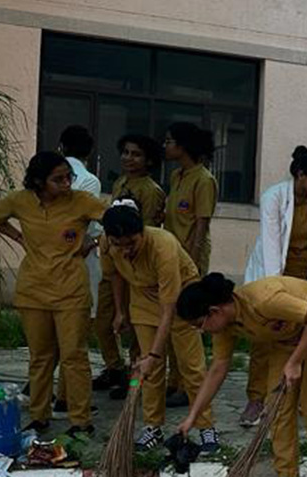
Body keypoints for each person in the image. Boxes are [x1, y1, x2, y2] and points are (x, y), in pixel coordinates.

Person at [176, 274, 307, 477]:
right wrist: (192, 417)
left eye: (199, 325)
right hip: (287, 338)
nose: (202, 331)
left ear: (214, 311)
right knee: (276, 409)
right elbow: (217, 369)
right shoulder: (225, 327)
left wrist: (295, 362)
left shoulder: (264, 300)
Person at [0, 152, 107, 434]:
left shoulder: (81, 200)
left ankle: (80, 420)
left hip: (71, 292)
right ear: (39, 182)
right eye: (58, 179)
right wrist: (18, 237)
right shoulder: (20, 200)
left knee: (74, 356)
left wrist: (91, 242)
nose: (66, 183)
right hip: (33, 291)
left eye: (69, 177)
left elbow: (116, 220)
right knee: (40, 357)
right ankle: (40, 415)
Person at [100, 201, 219, 453]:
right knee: (149, 372)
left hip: (183, 301)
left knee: (192, 367)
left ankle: (206, 426)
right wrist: (121, 311)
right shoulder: (107, 245)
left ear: (142, 232)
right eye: (118, 245)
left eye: (131, 243)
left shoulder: (162, 245)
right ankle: (153, 426)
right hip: (143, 300)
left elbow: (169, 308)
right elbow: (115, 276)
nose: (125, 251)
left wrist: (154, 355)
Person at [239, 146, 307, 428]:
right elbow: (271, 246)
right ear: (300, 174)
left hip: (305, 279)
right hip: (271, 277)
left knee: (299, 340)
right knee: (263, 339)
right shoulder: (274, 197)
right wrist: (274, 296)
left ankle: (290, 399)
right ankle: (256, 399)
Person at [92, 135, 167, 400]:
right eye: (125, 152)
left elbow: (143, 232)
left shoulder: (151, 190)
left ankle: (136, 376)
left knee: (136, 325)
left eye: (135, 154)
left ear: (148, 160)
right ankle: (115, 367)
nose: (128, 158)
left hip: (135, 267)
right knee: (103, 322)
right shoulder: (120, 182)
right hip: (114, 263)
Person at [163, 123, 218, 407]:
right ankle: (174, 380)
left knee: (189, 322)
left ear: (183, 146)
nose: (165, 145)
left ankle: (189, 385)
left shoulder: (203, 179)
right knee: (172, 320)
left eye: (170, 140)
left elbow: (201, 224)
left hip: (189, 260)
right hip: (169, 258)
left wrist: (193, 264)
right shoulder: (176, 176)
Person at [53, 125, 103, 414]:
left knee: (51, 337)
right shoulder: (89, 181)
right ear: (90, 152)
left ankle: (49, 393)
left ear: (60, 147)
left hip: (49, 261)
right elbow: (93, 228)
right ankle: (68, 397)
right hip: (79, 262)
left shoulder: (45, 177)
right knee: (75, 336)